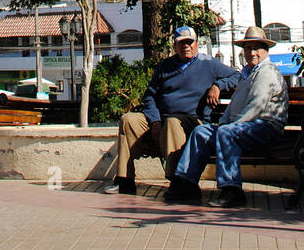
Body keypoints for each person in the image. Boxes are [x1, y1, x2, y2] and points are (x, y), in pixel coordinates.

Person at [105, 26, 241, 194]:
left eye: (190, 42)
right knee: (128, 120)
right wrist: (154, 121)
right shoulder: (165, 66)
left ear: (197, 44)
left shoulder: (209, 64)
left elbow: (237, 76)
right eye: (181, 43)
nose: (186, 46)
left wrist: (218, 85)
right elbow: (149, 95)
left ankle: (178, 181)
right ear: (175, 47)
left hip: (191, 121)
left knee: (172, 122)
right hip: (162, 119)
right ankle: (125, 180)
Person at [165, 26, 289, 209]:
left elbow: (257, 107)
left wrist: (227, 129)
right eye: (248, 48)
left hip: (265, 127)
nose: (252, 52)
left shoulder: (267, 72)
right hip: (243, 127)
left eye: (257, 48)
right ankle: (186, 183)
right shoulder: (247, 73)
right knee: (201, 132)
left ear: (266, 50)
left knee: (226, 133)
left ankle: (232, 190)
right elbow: (233, 106)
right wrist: (222, 126)